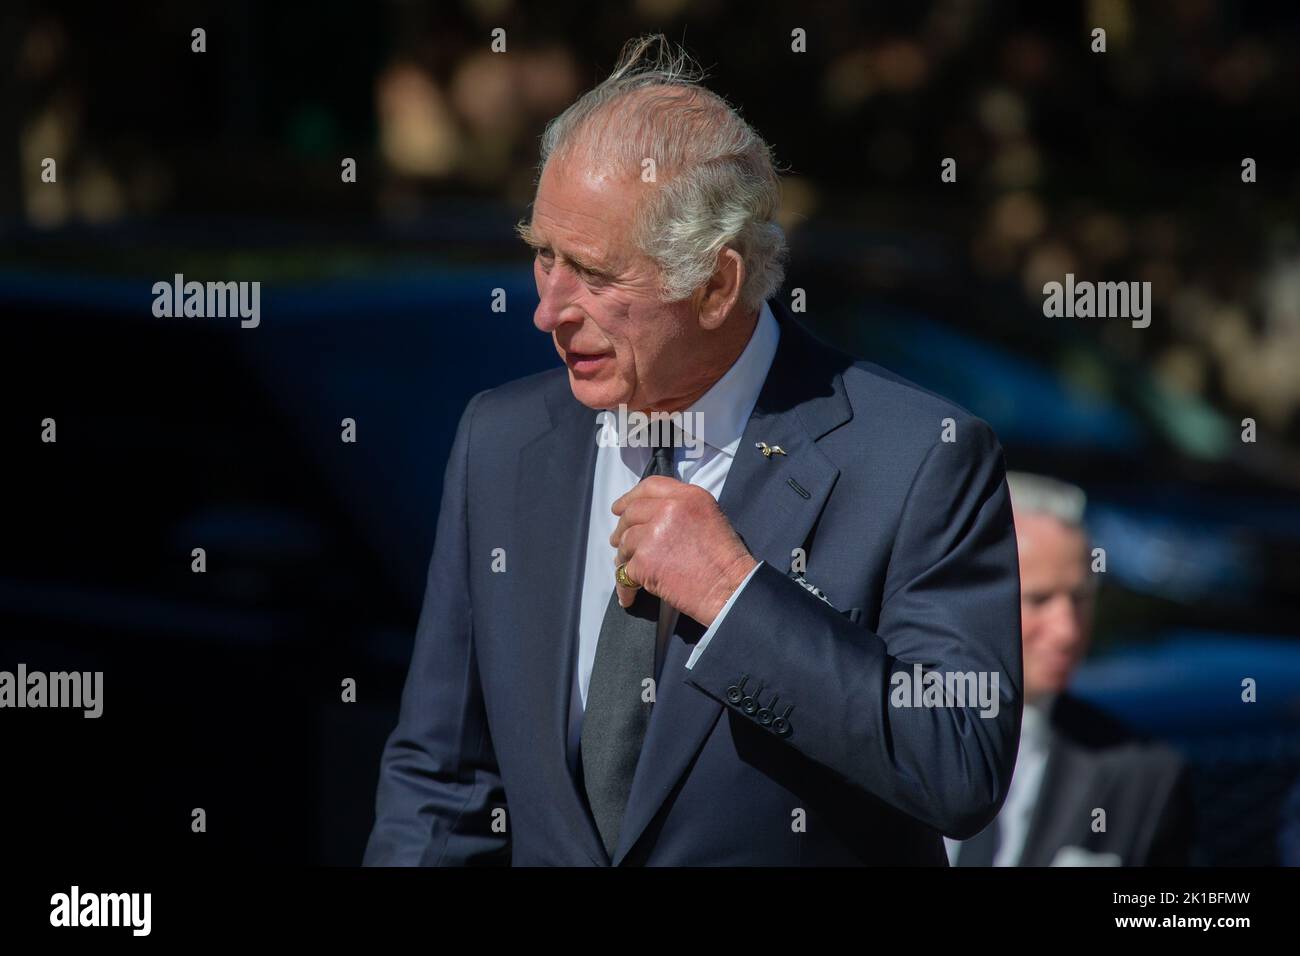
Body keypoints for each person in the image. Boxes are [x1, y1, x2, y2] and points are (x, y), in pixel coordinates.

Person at [363, 34, 1022, 866]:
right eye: (544, 257)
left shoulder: (918, 457)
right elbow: (442, 780)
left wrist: (737, 597)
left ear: (717, 285)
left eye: (596, 276)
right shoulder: (502, 442)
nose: (549, 311)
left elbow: (960, 763)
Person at [946, 472, 1195, 866]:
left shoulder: (1139, 777)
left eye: (1080, 598)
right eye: (1038, 599)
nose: (1067, 630)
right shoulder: (883, 732)